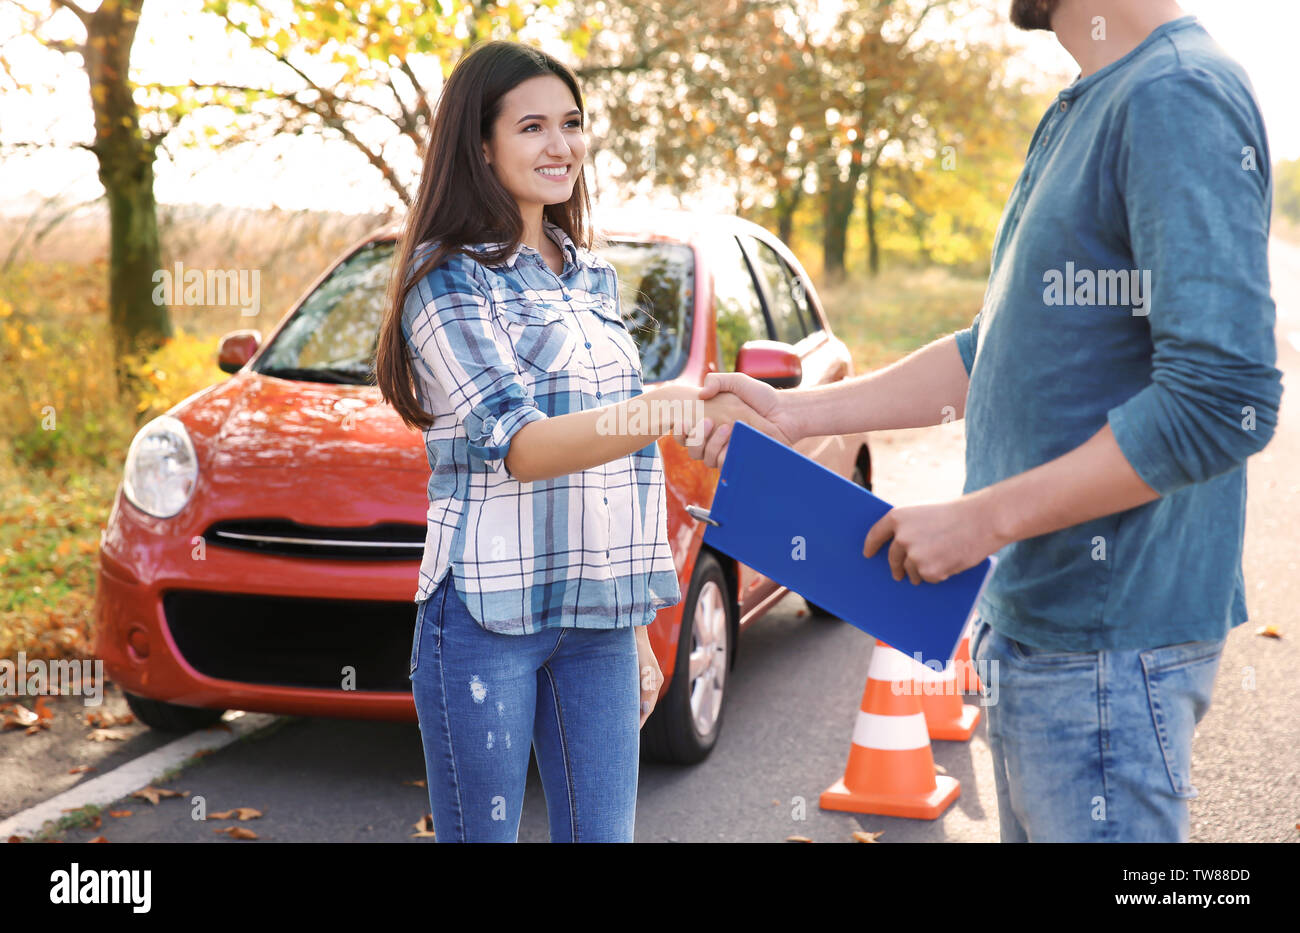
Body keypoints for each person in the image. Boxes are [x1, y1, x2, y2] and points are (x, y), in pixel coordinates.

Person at [679, 0, 1282, 842]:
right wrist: (793, 411)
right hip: (1043, 640)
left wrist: (978, 521)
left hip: (1103, 651)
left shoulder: (1174, 95)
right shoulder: (1093, 97)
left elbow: (1223, 400)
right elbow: (989, 351)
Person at [373, 40, 776, 842]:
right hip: (485, 616)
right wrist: (661, 408)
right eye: (532, 127)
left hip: (594, 621)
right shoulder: (446, 278)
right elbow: (521, 445)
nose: (561, 146)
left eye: (572, 123)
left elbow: (617, 471)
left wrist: (631, 623)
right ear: (480, 145)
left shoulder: (590, 275)